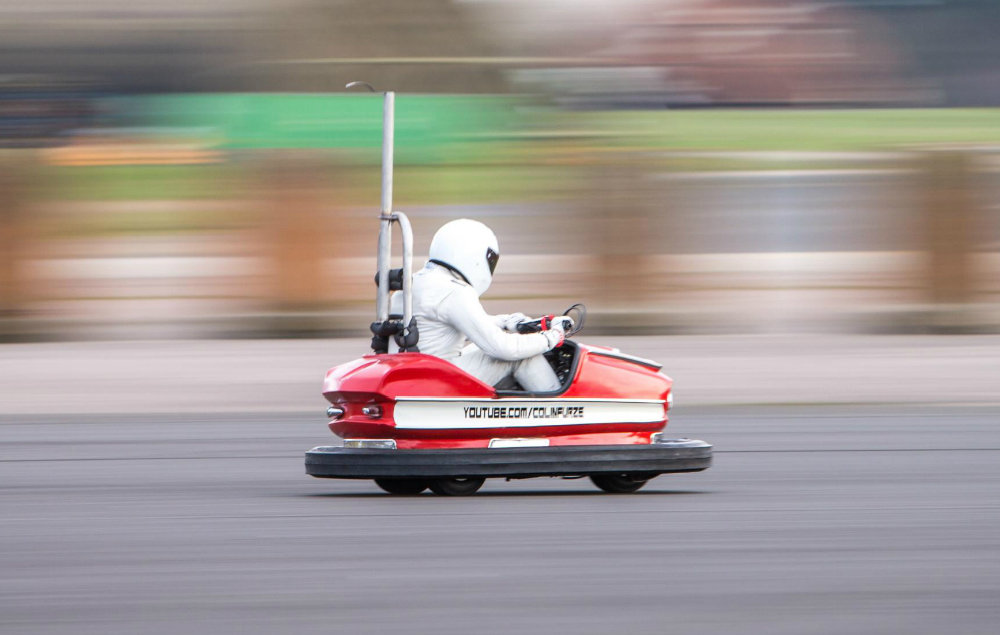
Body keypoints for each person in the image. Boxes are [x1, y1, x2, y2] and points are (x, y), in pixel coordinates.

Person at [389, 219, 572, 392]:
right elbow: (504, 348)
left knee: (486, 347)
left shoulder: (416, 282)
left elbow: (461, 322)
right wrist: (552, 336)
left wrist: (506, 322)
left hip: (414, 376)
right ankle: (562, 411)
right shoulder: (454, 291)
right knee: (523, 356)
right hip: (437, 382)